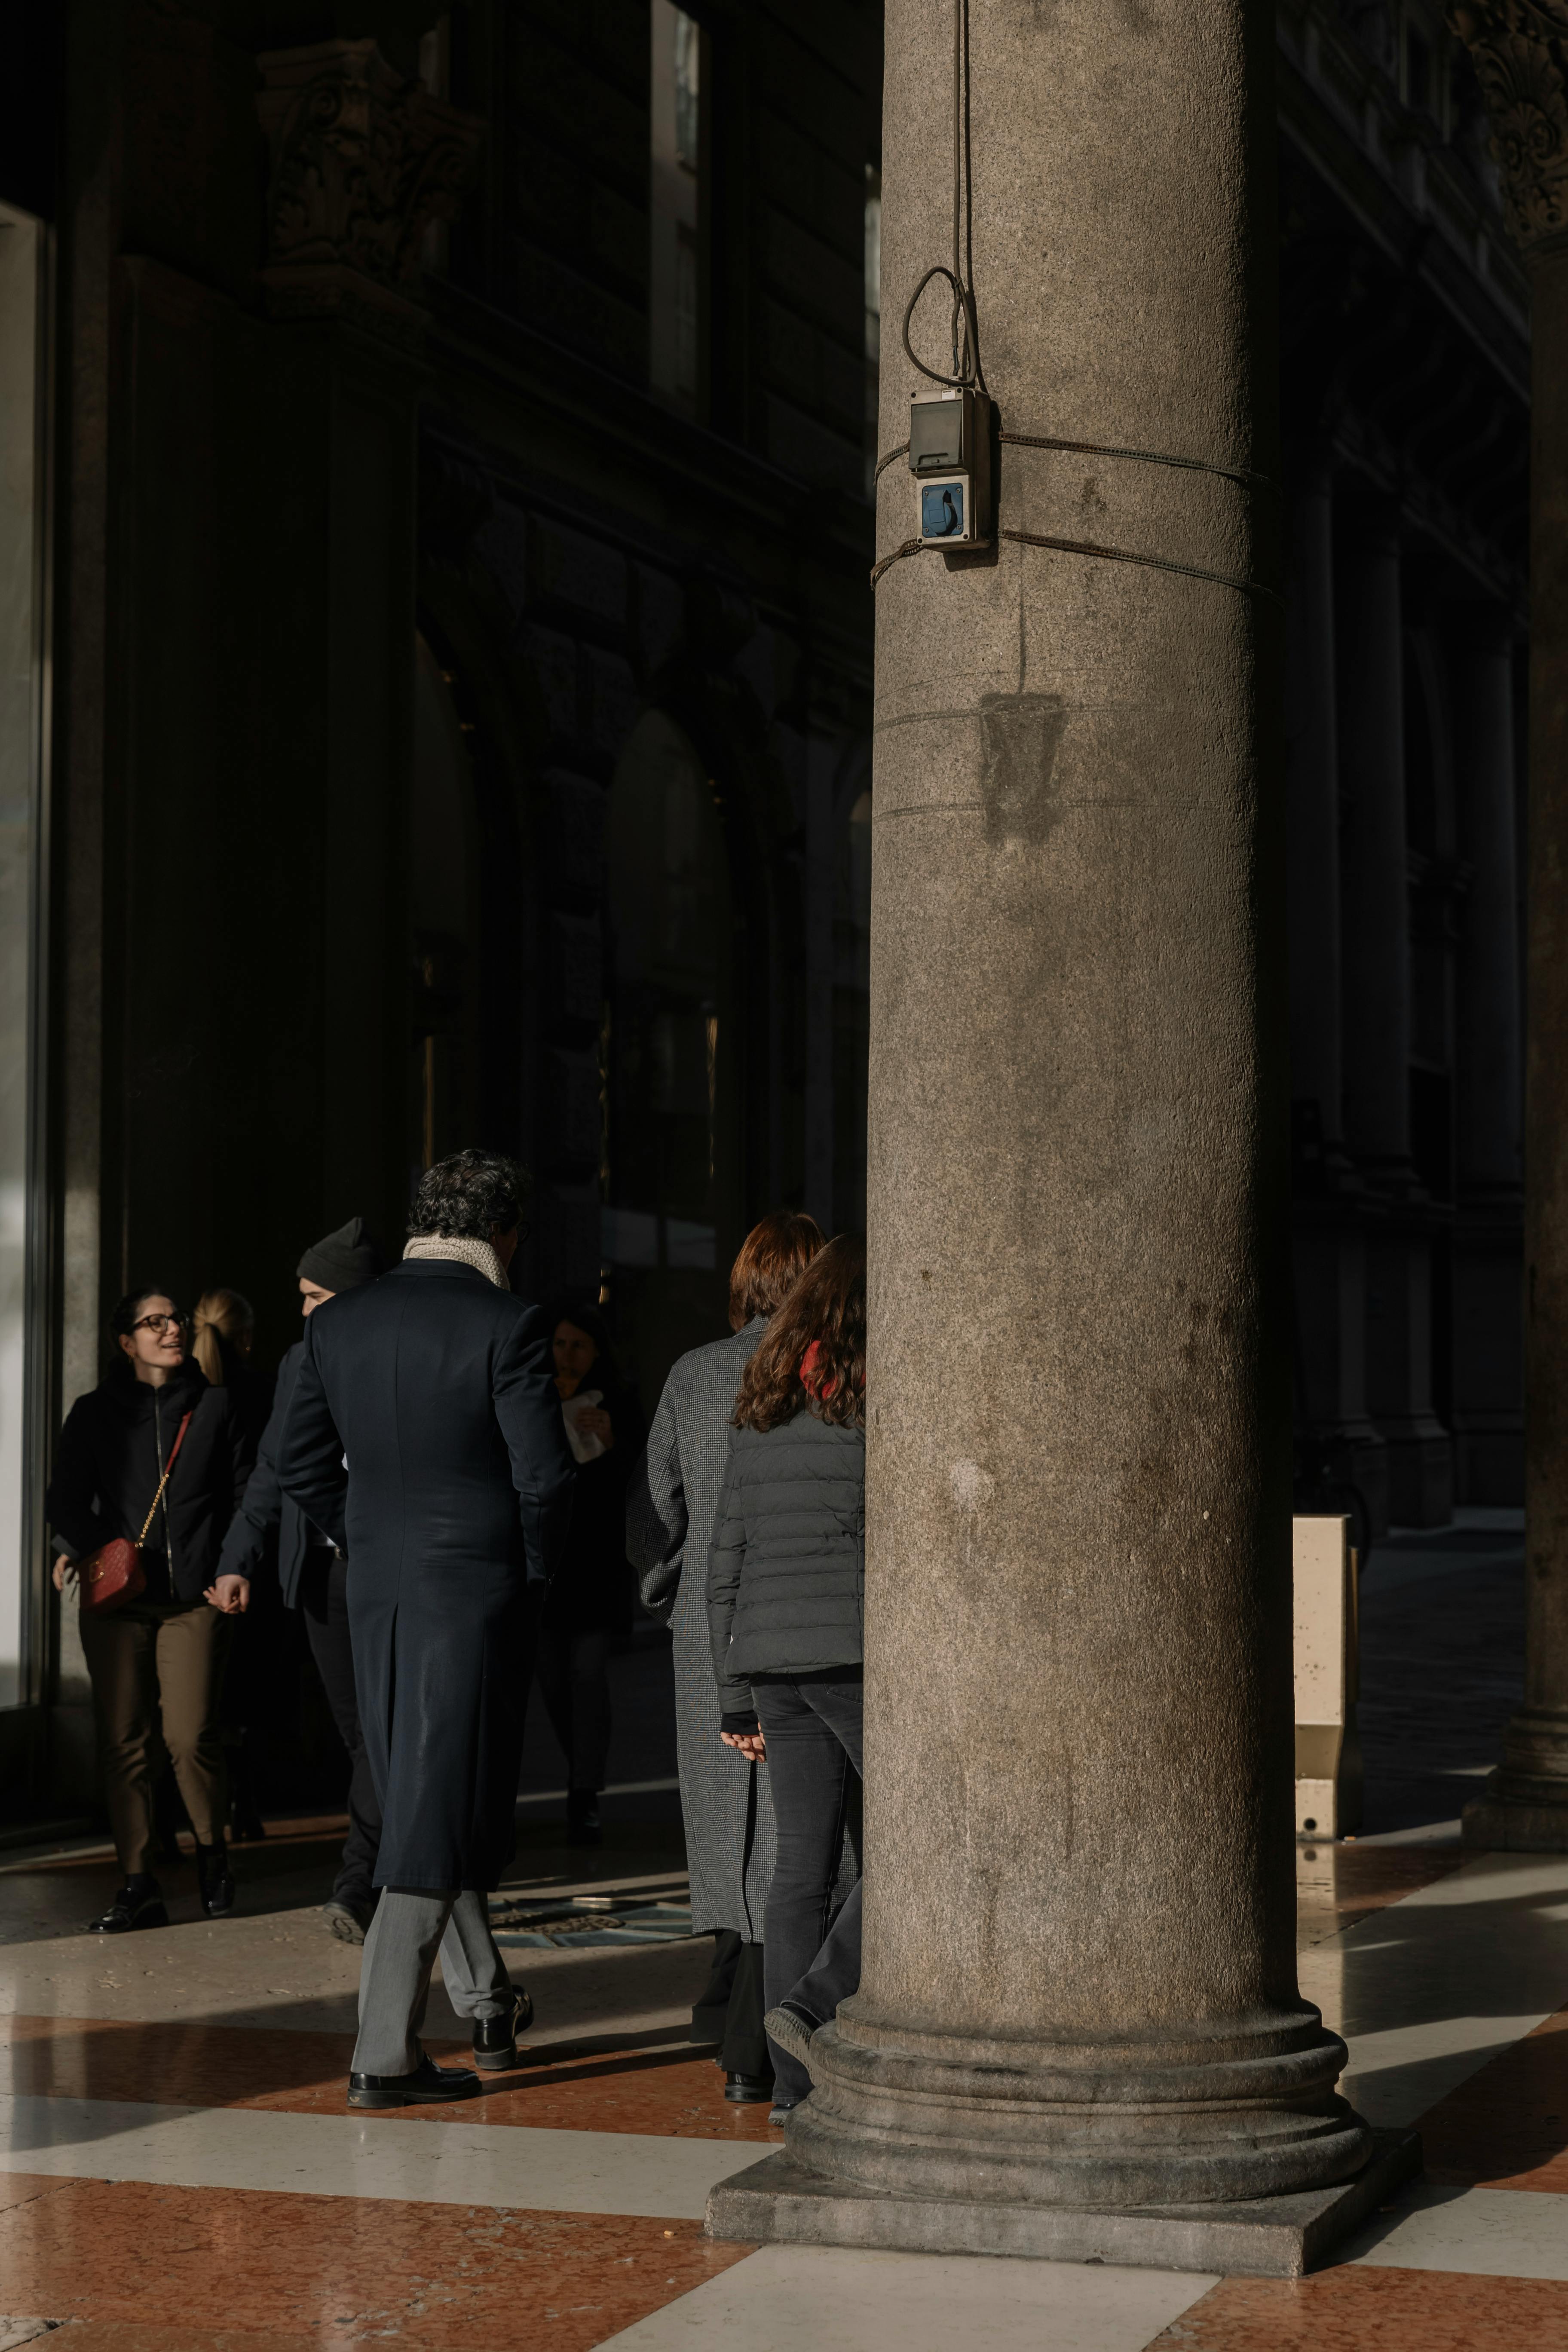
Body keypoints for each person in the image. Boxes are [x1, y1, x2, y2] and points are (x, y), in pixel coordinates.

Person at [270, 1151, 576, 2109]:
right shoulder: (511, 1324)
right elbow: (546, 1478)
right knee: (443, 1806)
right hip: (473, 1594)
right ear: (503, 1231)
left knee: (420, 1788)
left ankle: (472, 2007)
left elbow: (300, 1464)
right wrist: (524, 1574)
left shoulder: (340, 1323)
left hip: (378, 1593)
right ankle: (384, 2054)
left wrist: (361, 1540)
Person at [627, 1211, 827, 2106]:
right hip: (805, 1624)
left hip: (707, 1633)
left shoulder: (694, 1373)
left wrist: (669, 1589)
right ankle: (770, 2026)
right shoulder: (831, 1375)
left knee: (727, 1822)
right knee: (806, 1831)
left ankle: (736, 2015)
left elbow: (657, 1505)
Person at [705, 1232, 866, 2123]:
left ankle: (794, 2089)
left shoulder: (761, 1408)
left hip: (769, 1660)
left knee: (799, 1865)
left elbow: (722, 1560)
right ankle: (814, 2005)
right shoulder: (873, 1407)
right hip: (853, 1655)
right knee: (917, 1850)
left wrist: (735, 1693)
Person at [46, 1287, 257, 1931]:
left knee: (189, 1737)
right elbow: (65, 1501)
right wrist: (82, 1549)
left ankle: (211, 1852)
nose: (170, 1330)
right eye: (154, 1322)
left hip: (195, 1598)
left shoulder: (218, 1407)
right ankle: (138, 1879)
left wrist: (234, 1564)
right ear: (126, 1340)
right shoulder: (93, 1413)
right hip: (120, 1599)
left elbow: (248, 1495)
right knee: (124, 1743)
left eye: (176, 1321)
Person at [209, 1219, 387, 1938]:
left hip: (381, 1567)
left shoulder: (389, 1360)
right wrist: (236, 1555)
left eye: (316, 1295)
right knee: (358, 1733)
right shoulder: (296, 1361)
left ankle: (360, 1880)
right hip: (319, 1572)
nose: (305, 1309)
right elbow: (274, 1470)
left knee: (381, 1731)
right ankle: (381, 1866)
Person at [536, 1301, 644, 1847]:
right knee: (554, 1684)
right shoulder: (530, 1399)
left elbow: (641, 1485)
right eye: (560, 1344)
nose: (568, 1355)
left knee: (587, 1681)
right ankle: (579, 1774)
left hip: (597, 1571)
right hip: (546, 1572)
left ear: (596, 1351)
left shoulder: (618, 1405)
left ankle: (585, 1793)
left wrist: (611, 1446)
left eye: (578, 1345)